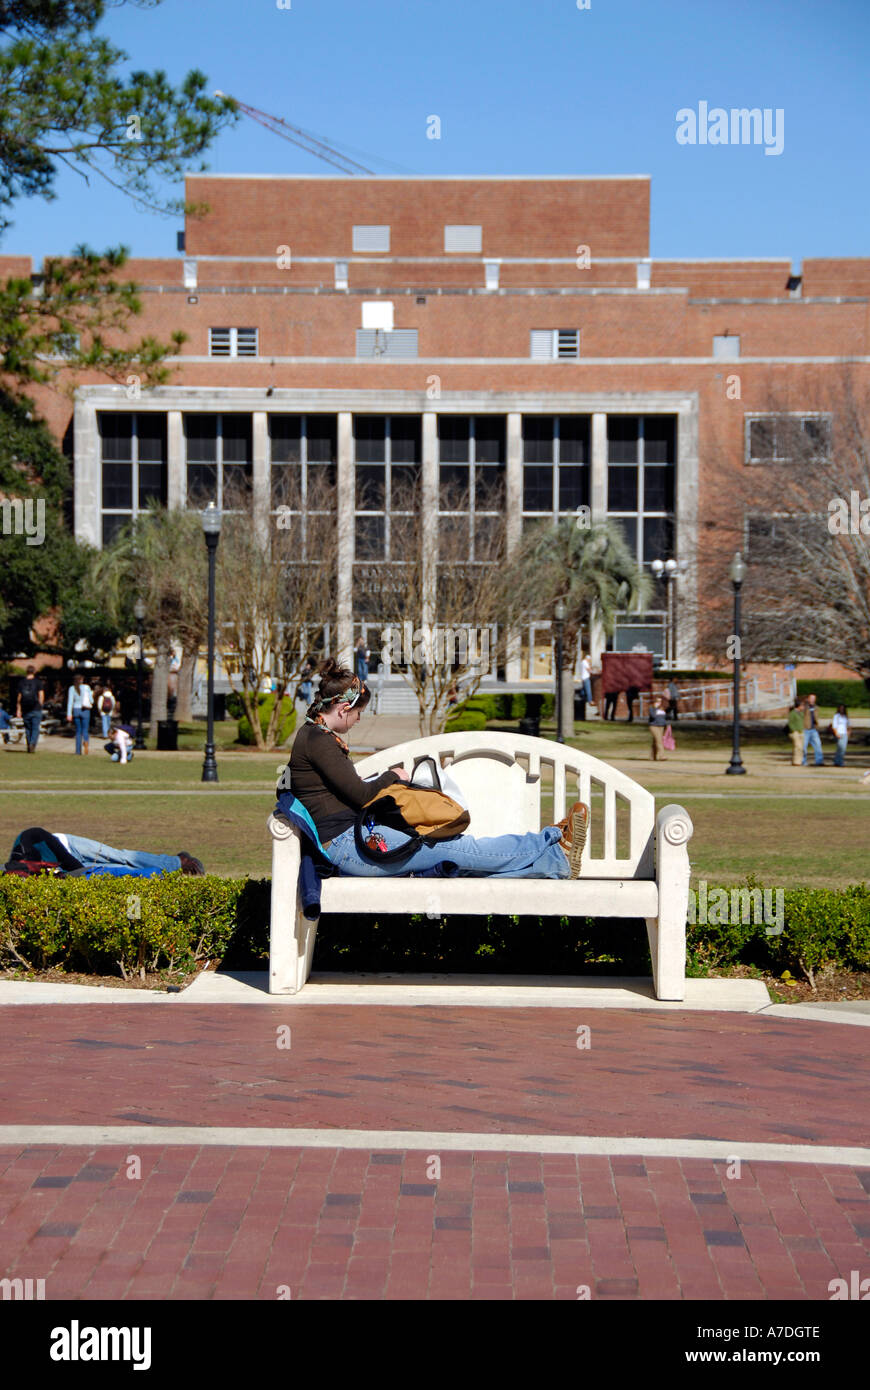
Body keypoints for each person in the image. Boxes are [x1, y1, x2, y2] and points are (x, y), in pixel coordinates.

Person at [284, 657, 590, 880]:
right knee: (460, 848)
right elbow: (360, 794)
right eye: (358, 714)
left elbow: (345, 790)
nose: (359, 720)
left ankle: (554, 863)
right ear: (342, 709)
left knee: (460, 861)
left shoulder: (314, 736)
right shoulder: (319, 741)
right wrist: (393, 776)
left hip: (353, 839)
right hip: (350, 846)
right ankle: (551, 840)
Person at [5, 827, 204, 877]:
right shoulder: (17, 873)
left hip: (71, 847)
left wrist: (78, 871)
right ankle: (162, 872)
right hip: (73, 868)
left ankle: (178, 861)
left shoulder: (26, 842)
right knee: (120, 868)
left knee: (121, 856)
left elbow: (62, 855)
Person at [16, 664, 44, 753]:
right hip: (36, 708)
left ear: (26, 672)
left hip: (25, 708)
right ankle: (32, 743)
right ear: (34, 672)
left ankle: (29, 744)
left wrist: (18, 709)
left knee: (28, 728)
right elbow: (41, 695)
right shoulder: (38, 682)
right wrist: (40, 705)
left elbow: (19, 698)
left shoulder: (21, 683)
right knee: (35, 728)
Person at [66, 673, 94, 755]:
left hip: (76, 710)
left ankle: (77, 751)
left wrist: (69, 714)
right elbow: (91, 700)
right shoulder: (87, 687)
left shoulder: (71, 688)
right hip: (85, 710)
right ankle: (86, 742)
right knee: (85, 730)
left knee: (78, 731)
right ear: (81, 680)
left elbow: (70, 702)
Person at [802, 692, 824, 766]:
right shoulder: (804, 707)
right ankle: (803, 761)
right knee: (804, 747)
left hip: (813, 729)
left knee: (818, 745)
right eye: (811, 698)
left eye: (814, 699)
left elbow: (816, 717)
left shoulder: (816, 708)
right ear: (808, 699)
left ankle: (819, 761)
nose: (812, 700)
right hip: (805, 729)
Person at [787, 700, 804, 767]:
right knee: (798, 746)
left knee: (801, 747)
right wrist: (794, 730)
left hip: (801, 731)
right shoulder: (793, 713)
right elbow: (790, 723)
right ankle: (796, 761)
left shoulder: (801, 713)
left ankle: (799, 760)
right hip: (795, 732)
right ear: (798, 706)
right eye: (802, 706)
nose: (803, 707)